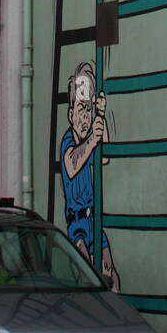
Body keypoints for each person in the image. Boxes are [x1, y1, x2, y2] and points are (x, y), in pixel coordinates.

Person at [59, 61, 120, 292]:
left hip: (94, 219)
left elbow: (104, 157)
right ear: (70, 113)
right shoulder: (69, 140)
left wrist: (101, 115)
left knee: (109, 273)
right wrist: (92, 141)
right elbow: (72, 163)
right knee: (86, 277)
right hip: (78, 224)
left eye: (89, 109)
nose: (86, 117)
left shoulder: (89, 139)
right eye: (81, 109)